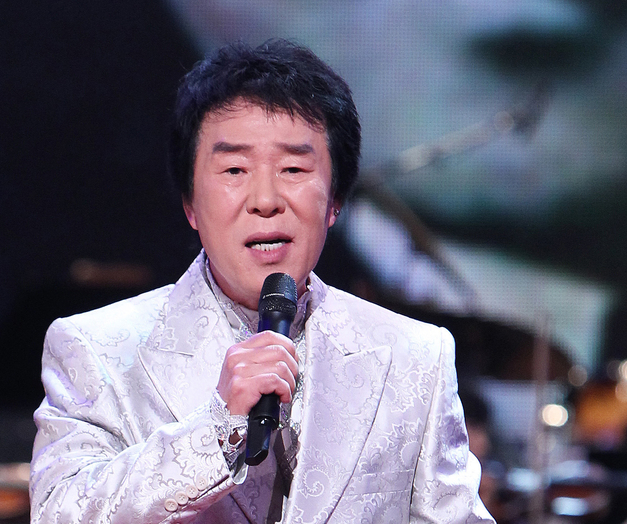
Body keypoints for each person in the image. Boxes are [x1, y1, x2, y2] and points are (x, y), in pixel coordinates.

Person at [29, 39, 495, 523]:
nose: (266, 200)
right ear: (191, 204)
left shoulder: (415, 357)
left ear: (335, 201)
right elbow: (59, 512)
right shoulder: (96, 350)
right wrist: (217, 429)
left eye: (293, 168)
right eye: (235, 169)